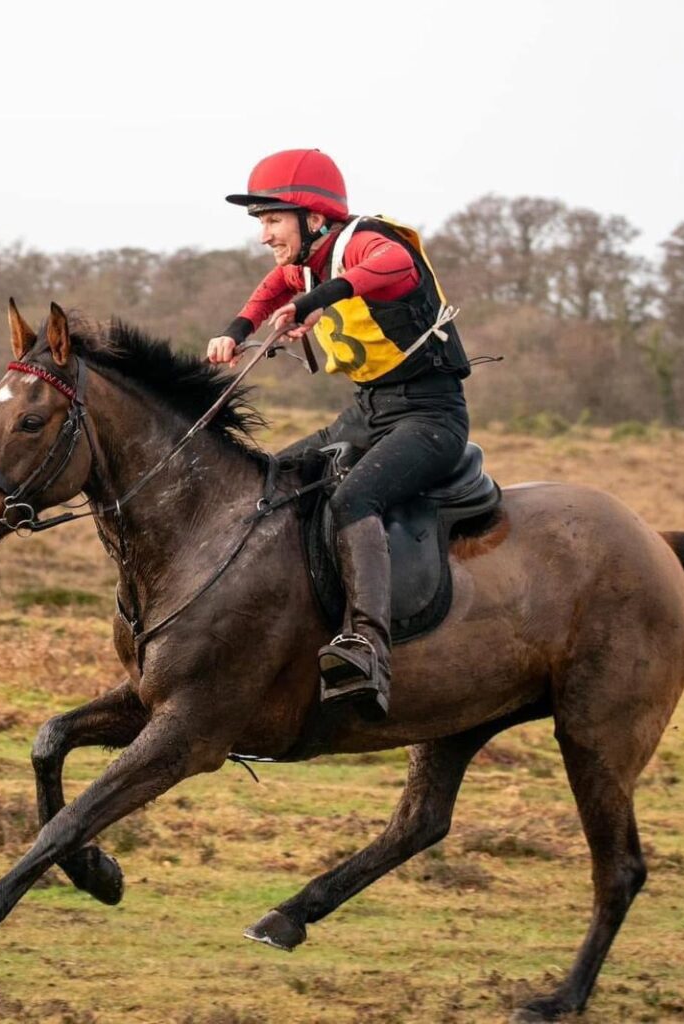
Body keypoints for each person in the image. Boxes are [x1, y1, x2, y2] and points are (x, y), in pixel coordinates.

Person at [208, 149, 475, 721]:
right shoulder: (309, 263)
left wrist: (311, 301)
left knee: (356, 497)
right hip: (367, 412)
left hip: (430, 416)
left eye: (272, 220)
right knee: (271, 478)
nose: (264, 235)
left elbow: (393, 269)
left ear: (312, 217)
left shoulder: (365, 242)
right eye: (260, 222)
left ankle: (367, 647)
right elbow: (274, 284)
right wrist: (238, 329)